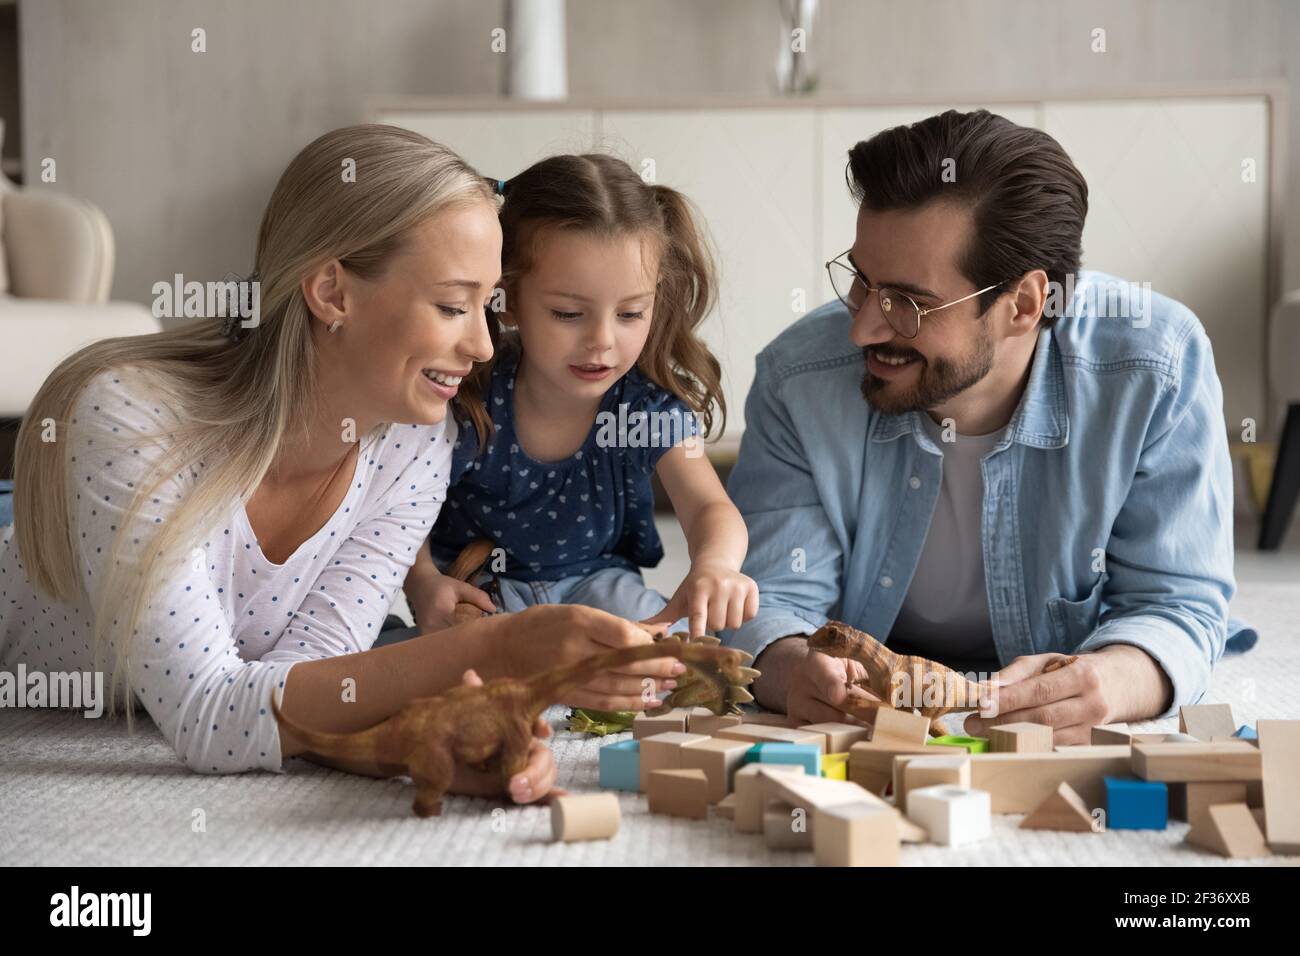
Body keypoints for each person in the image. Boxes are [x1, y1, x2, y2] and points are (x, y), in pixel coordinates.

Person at [0, 125, 679, 800]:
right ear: (332, 292)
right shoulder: (133, 416)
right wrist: (503, 645)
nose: (483, 345)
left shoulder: (415, 445)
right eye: (451, 305)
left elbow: (313, 690)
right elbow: (207, 714)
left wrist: (418, 744)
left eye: (486, 306)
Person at [722, 109, 1256, 743]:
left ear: (1025, 305)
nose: (863, 327)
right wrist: (791, 672)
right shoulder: (798, 378)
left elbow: (1178, 605)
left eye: (910, 304)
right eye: (861, 283)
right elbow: (767, 600)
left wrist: (1108, 682)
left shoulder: (1155, 367)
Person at [406, 154, 758, 643]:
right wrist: (422, 581)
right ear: (506, 300)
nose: (602, 340)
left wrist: (716, 565)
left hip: (598, 586)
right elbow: (400, 504)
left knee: (674, 654)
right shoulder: (468, 394)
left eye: (631, 313)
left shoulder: (645, 408)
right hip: (485, 592)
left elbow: (708, 508)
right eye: (568, 314)